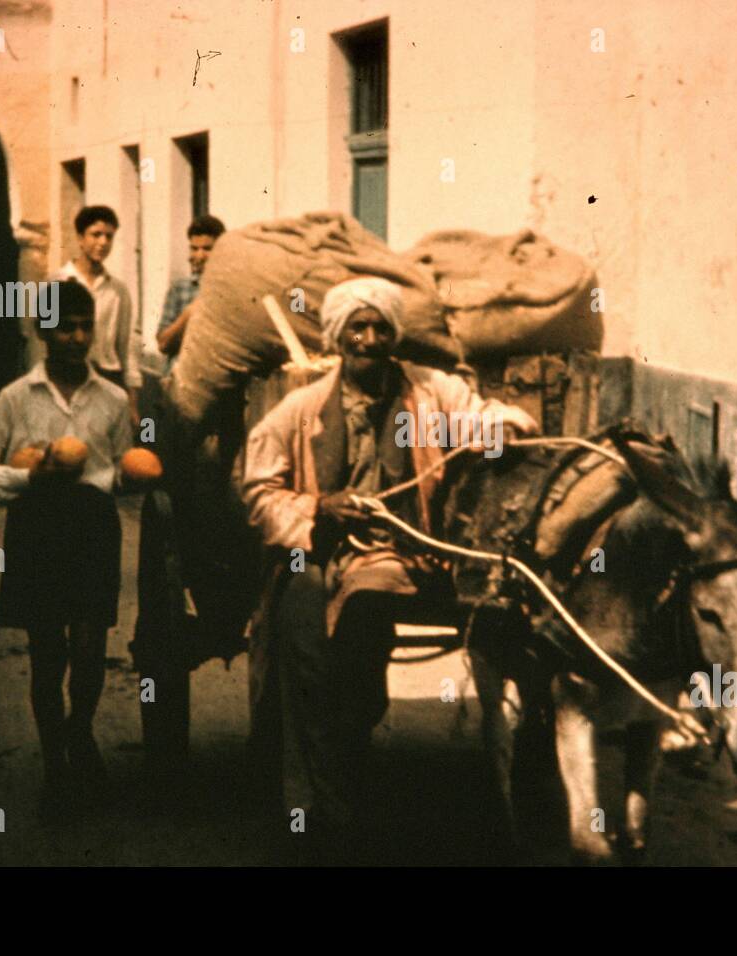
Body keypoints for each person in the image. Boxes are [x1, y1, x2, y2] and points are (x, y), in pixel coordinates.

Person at [241, 276, 538, 855]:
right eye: (358, 327)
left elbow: (485, 418)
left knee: (366, 619)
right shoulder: (301, 408)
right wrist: (318, 509)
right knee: (306, 656)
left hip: (408, 555)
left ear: (393, 335)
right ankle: (316, 805)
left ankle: (355, 753)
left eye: (380, 328)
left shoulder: (429, 393)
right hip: (318, 551)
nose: (370, 339)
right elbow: (257, 488)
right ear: (339, 336)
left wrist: (502, 428)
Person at [0, 279, 132, 821]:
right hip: (37, 525)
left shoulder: (115, 398)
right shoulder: (15, 398)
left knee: (88, 647)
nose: (78, 337)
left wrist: (130, 477)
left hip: (92, 527)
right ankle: (56, 764)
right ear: (41, 332)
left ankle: (79, 733)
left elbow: (126, 466)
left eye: (86, 326)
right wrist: (24, 474)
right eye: (66, 327)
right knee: (46, 655)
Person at [56, 206, 137, 424]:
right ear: (80, 238)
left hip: (107, 378)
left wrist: (132, 403)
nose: (102, 242)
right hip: (66, 377)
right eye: (96, 235)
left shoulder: (117, 290)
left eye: (108, 237)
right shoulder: (58, 282)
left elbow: (126, 346)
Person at [152, 214, 226, 367]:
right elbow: (163, 344)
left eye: (207, 249)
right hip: (180, 379)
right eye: (194, 248)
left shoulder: (231, 290)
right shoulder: (180, 288)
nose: (199, 255)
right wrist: (188, 315)